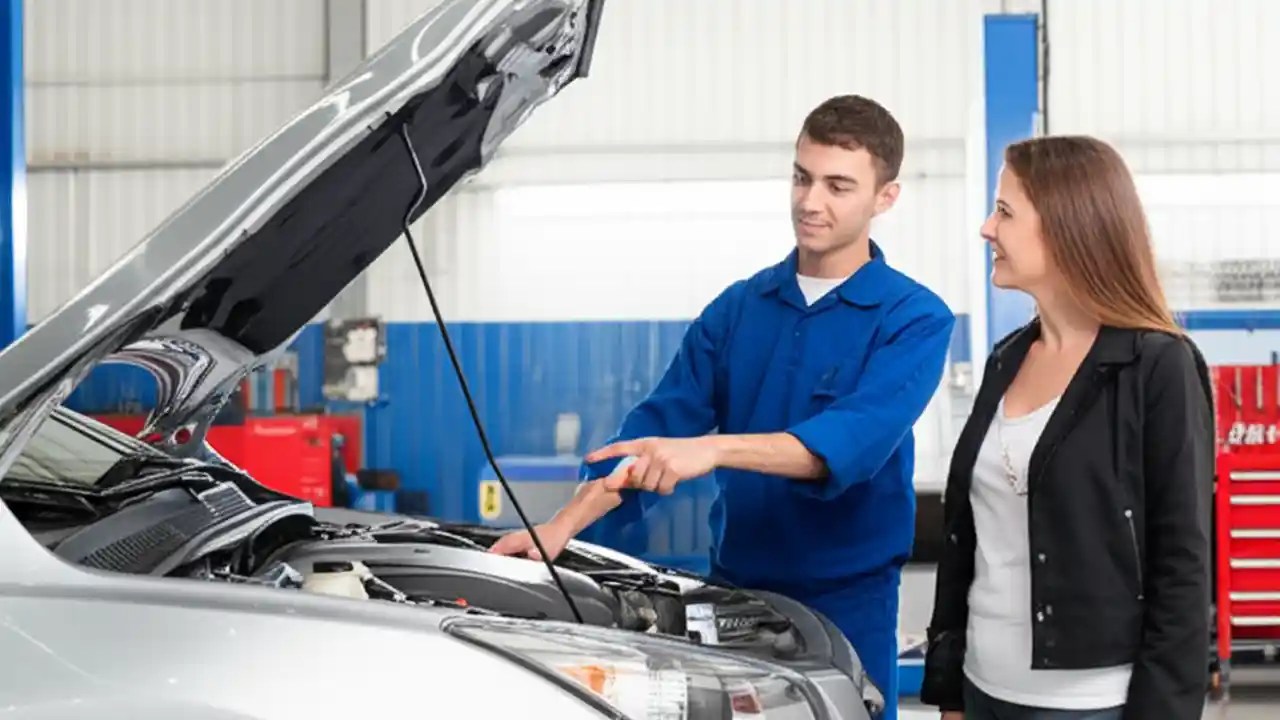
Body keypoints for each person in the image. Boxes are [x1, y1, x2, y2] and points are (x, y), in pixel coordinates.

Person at [490, 94, 956, 719]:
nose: (810, 202)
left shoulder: (914, 319)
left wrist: (709, 450)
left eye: (838, 186)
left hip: (851, 604)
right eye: (801, 176)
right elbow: (650, 436)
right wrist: (562, 528)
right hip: (736, 595)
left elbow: (849, 443)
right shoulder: (740, 308)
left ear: (885, 197)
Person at [919, 135, 1215, 720]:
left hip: (1093, 705)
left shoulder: (1157, 366)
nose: (986, 228)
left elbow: (1183, 566)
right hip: (984, 689)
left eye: (1004, 212)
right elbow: (968, 540)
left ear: (1067, 226)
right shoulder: (1006, 359)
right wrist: (950, 687)